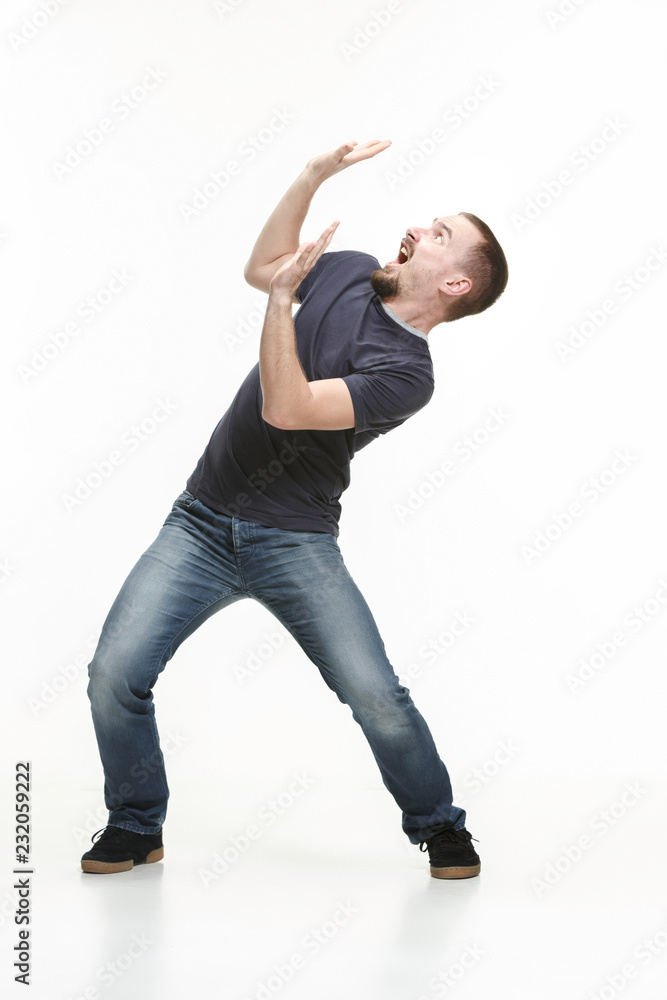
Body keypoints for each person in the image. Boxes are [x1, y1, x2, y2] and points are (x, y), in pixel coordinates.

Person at [81, 139, 508, 879]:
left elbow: (288, 407)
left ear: (455, 282)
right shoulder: (346, 271)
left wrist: (282, 301)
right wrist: (312, 176)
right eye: (428, 221)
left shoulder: (406, 374)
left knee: (374, 694)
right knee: (114, 674)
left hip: (294, 541)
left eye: (440, 234)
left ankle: (438, 827)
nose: (420, 229)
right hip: (199, 523)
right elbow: (262, 269)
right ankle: (135, 823)